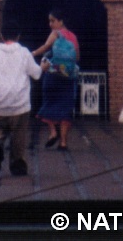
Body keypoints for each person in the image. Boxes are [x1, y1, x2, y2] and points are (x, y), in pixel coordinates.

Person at [0, 21, 41, 176]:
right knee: (18, 135)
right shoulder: (24, 53)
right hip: (19, 103)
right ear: (18, 36)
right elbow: (36, 73)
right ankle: (17, 164)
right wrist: (43, 68)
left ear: (1, 36)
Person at [31, 9, 79, 151]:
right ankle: (63, 142)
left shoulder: (55, 34)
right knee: (65, 109)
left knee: (48, 103)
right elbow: (77, 58)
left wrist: (32, 53)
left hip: (53, 76)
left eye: (53, 21)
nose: (50, 24)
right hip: (68, 77)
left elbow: (45, 47)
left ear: (61, 21)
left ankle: (53, 132)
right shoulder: (73, 37)